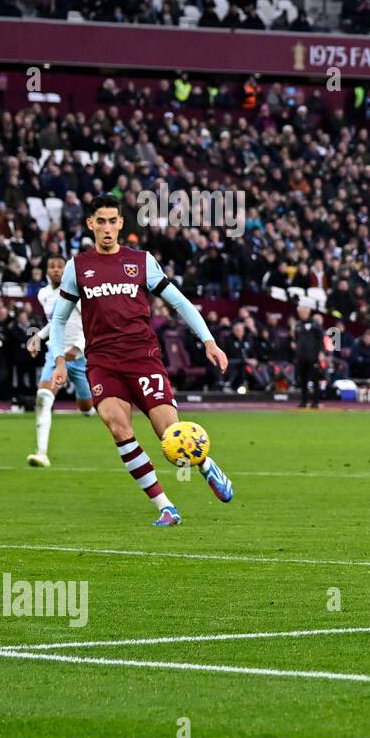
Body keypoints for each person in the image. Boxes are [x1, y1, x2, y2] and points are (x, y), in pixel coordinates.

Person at [48, 194, 234, 526]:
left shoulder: (141, 261)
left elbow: (180, 303)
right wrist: (59, 360)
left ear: (121, 224)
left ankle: (206, 465)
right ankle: (166, 506)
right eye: (100, 222)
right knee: (118, 427)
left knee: (169, 433)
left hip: (142, 359)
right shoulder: (78, 267)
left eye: (112, 221)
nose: (107, 228)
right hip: (103, 363)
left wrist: (209, 341)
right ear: (91, 224)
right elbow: (59, 320)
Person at [26, 255, 94, 467]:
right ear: (46, 270)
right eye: (51, 266)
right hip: (56, 355)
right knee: (43, 398)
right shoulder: (44, 294)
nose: (56, 270)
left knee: (86, 407)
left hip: (78, 357)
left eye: (59, 267)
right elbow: (54, 323)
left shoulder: (76, 292)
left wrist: (80, 347)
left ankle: (91, 409)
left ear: (66, 270)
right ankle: (41, 453)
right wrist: (38, 337)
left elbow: (89, 323)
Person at [293, 303, 323, 408]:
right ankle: (304, 401)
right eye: (299, 312)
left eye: (302, 312)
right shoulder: (298, 324)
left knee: (315, 380)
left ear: (308, 312)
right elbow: (296, 339)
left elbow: (320, 339)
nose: (300, 314)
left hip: (312, 356)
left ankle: (315, 401)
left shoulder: (315, 324)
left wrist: (320, 353)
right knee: (303, 380)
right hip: (301, 356)